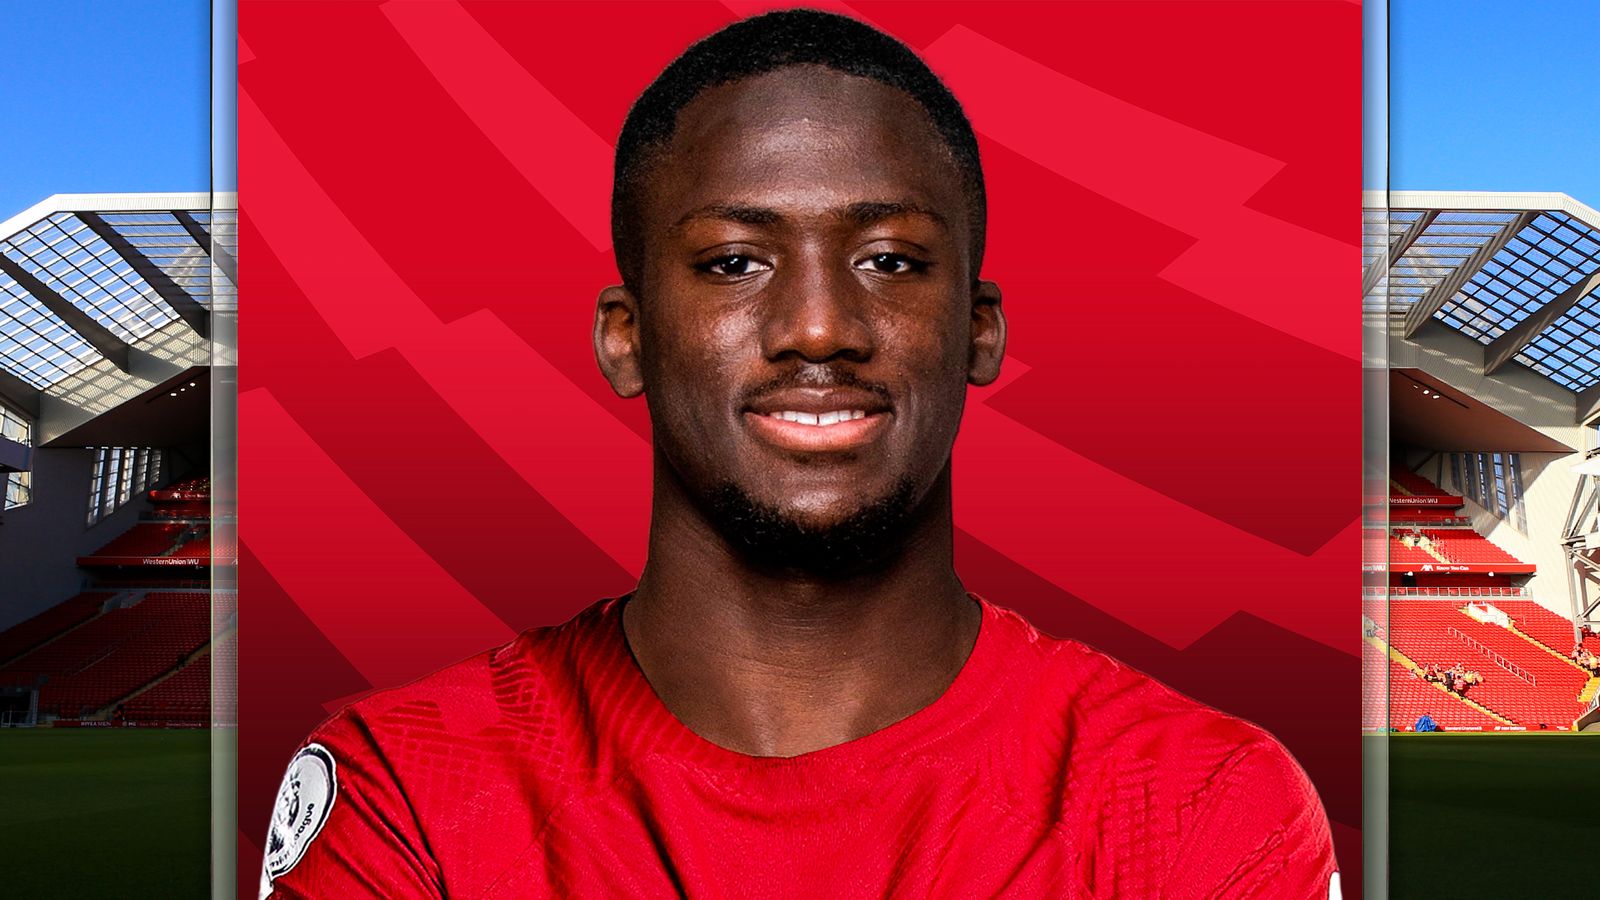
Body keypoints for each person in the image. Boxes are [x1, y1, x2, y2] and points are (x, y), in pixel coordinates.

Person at [260, 10, 1337, 898]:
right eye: (735, 261)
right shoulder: (408, 791)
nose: (819, 327)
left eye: (889, 260)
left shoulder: (1202, 802)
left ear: (979, 331)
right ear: (626, 338)